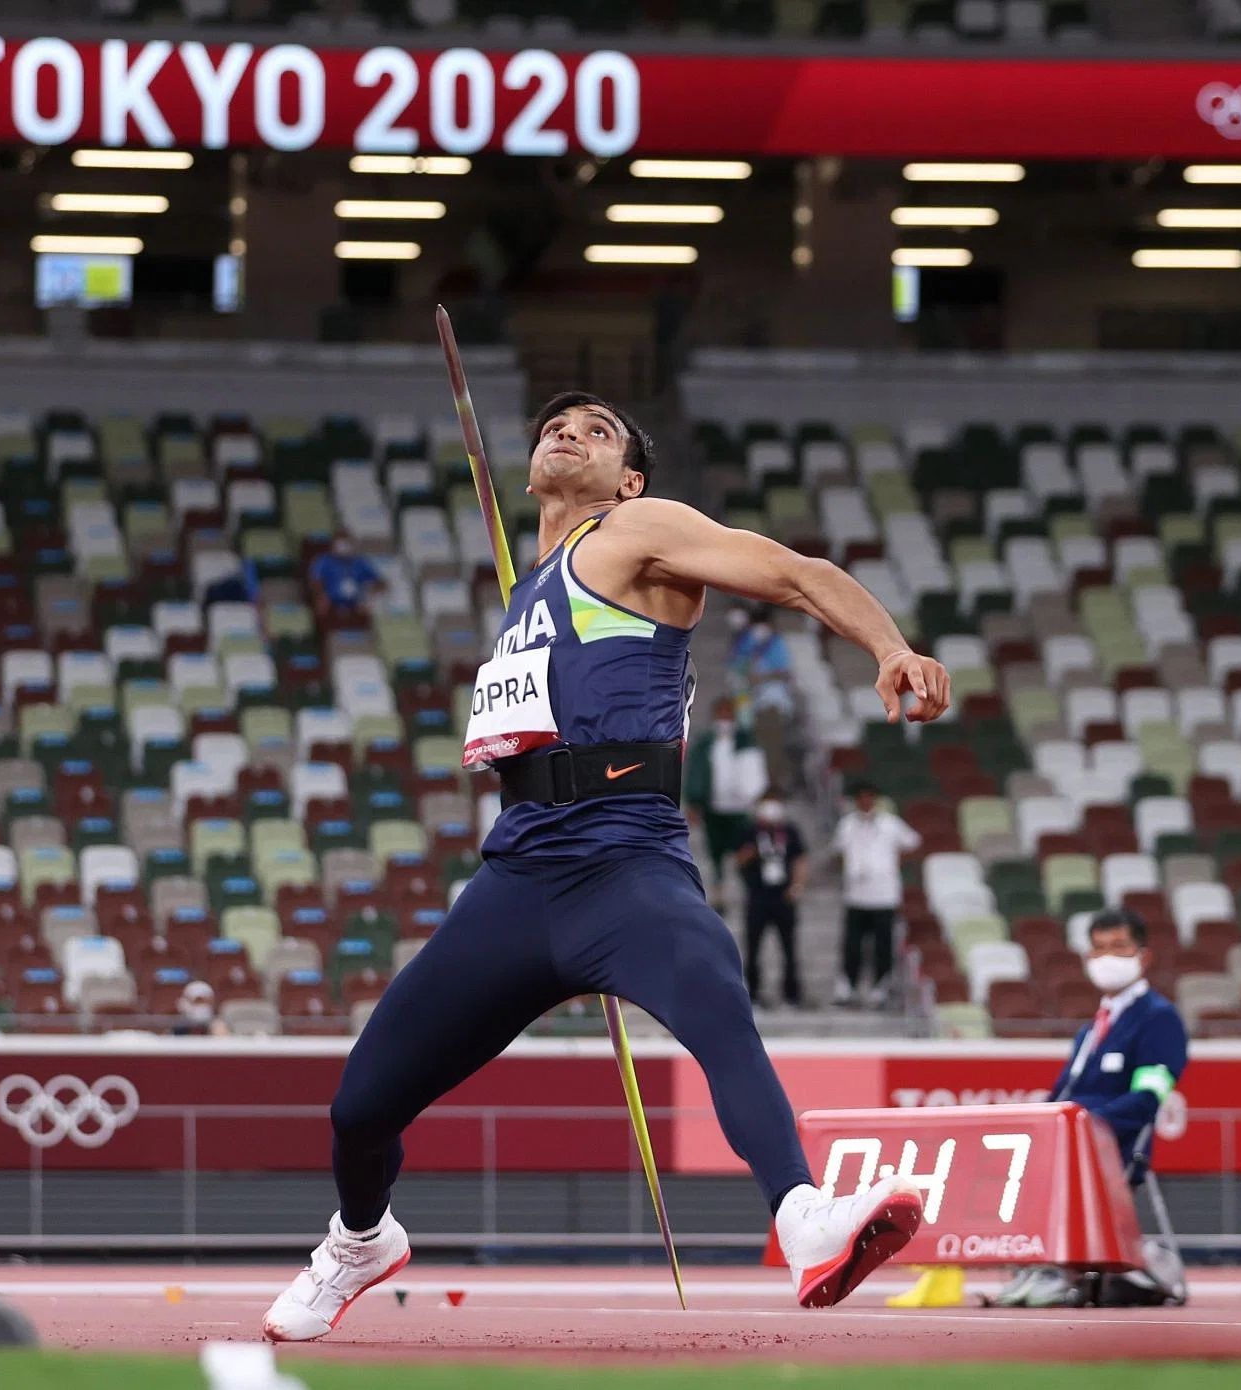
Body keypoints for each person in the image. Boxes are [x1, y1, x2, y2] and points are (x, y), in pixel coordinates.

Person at [262, 390, 952, 1341]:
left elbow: (797, 573)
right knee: (361, 1108)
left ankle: (803, 1217)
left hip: (626, 858)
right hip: (519, 879)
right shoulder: (524, 593)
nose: (568, 433)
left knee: (713, 993)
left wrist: (890, 646)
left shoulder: (636, 532)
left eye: (597, 430)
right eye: (556, 426)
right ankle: (359, 1241)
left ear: (629, 478)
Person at [988, 907, 1191, 1309]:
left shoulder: (1159, 1019)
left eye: (1119, 947)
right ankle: (1033, 1264)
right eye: (1099, 949)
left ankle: (1057, 1268)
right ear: (1087, 958)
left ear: (1143, 956)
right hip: (1068, 1140)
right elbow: (1062, 1091)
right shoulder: (1091, 1029)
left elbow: (1148, 1098)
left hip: (1113, 1147)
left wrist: (1083, 1128)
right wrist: (1038, 1125)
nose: (1108, 958)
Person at [831, 781, 920, 1007]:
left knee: (883, 944)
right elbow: (837, 852)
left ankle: (880, 988)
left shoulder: (891, 824)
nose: (866, 802)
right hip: (856, 894)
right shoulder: (847, 825)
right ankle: (848, 987)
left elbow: (913, 843)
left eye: (869, 797)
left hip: (884, 895)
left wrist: (892, 866)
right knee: (852, 944)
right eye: (861, 797)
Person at [683, 696, 768, 903]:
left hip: (740, 809)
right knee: (716, 854)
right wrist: (694, 802)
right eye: (720, 713)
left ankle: (749, 892)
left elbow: (755, 772)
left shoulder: (745, 740)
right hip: (714, 808)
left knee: (744, 852)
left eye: (728, 713)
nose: (724, 718)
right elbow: (695, 772)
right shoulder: (705, 743)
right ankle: (719, 894)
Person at [734, 788, 808, 1008]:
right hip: (758, 895)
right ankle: (753, 992)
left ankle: (792, 994)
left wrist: (796, 886)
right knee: (753, 946)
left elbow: (800, 859)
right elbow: (740, 859)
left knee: (789, 946)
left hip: (783, 895)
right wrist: (757, 848)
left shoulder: (789, 831)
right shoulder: (749, 830)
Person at [308, 530, 383, 620]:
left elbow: (380, 583)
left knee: (369, 612)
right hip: (331, 603)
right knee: (321, 608)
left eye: (347, 543)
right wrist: (322, 596)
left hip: (357, 604)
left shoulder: (361, 562)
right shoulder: (324, 561)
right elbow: (314, 581)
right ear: (333, 545)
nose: (343, 547)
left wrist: (369, 599)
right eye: (340, 543)